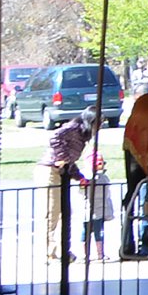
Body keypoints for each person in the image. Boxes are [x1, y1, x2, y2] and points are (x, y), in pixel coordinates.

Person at [44, 107, 97, 262]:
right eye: (98, 123)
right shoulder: (74, 127)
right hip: (50, 170)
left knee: (64, 212)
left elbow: (70, 159)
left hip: (62, 172)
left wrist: (78, 176)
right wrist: (62, 159)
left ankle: (61, 250)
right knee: (52, 213)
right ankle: (50, 252)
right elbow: (55, 137)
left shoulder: (82, 135)